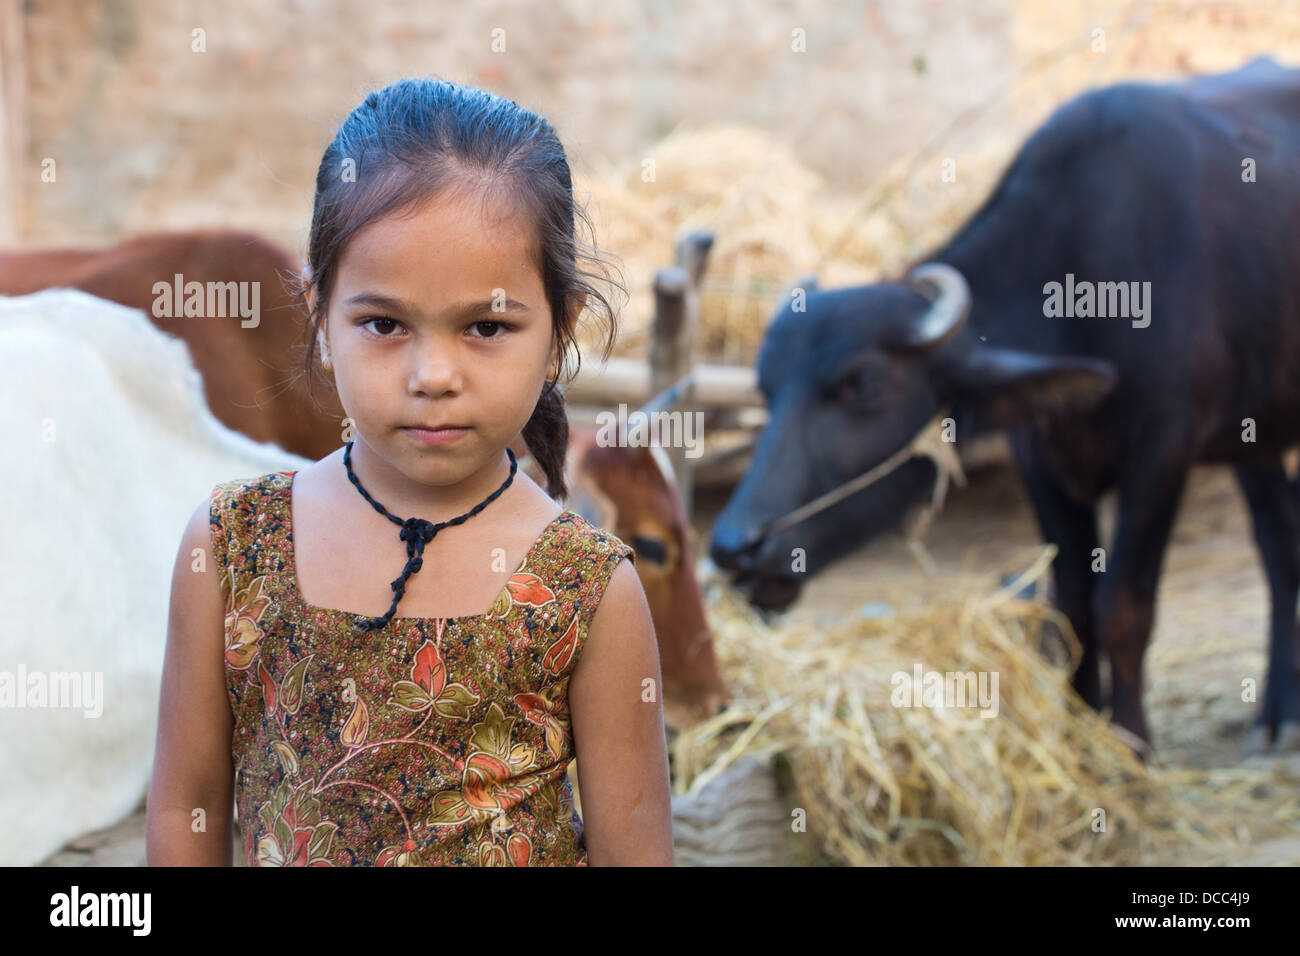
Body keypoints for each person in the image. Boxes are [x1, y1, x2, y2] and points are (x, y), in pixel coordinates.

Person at [146, 77, 674, 866]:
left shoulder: (584, 590)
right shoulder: (232, 548)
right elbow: (186, 811)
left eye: (486, 326)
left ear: (560, 329)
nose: (433, 374)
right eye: (384, 324)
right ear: (322, 315)